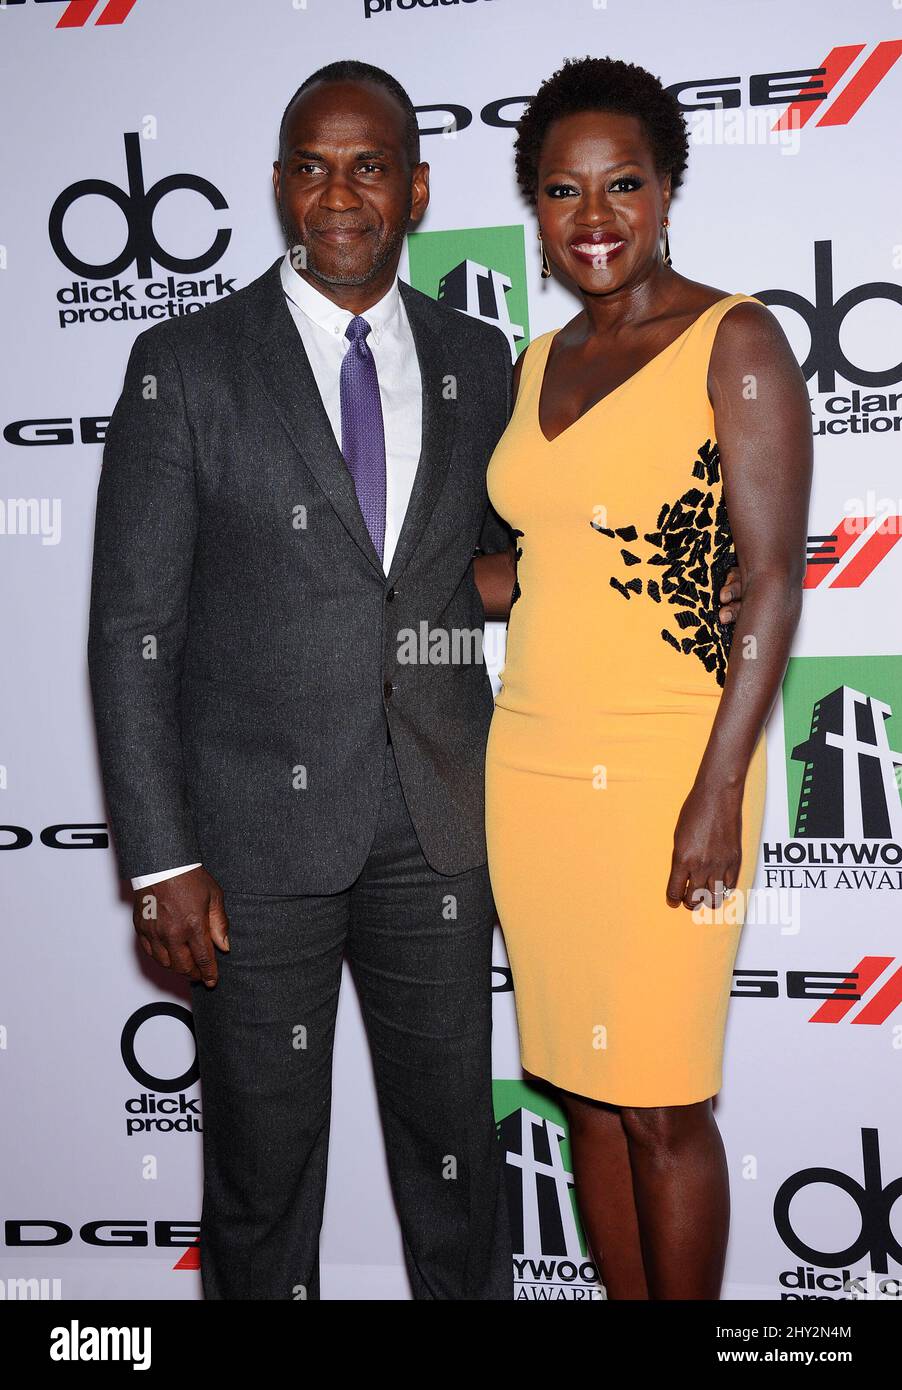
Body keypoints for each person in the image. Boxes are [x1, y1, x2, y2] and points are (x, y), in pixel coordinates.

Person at [87, 60, 521, 1301]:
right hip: (248, 841)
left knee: (457, 1178)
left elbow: (501, 561)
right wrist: (161, 859)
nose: (340, 194)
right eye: (312, 166)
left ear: (416, 189)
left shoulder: (477, 358)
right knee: (262, 1181)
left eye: (368, 165)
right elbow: (131, 628)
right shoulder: (186, 362)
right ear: (280, 184)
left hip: (439, 826)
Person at [483, 56, 811, 1300]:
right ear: (536, 209)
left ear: (667, 187)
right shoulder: (533, 361)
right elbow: (533, 564)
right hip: (532, 768)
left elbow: (771, 581)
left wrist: (716, 790)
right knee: (585, 1095)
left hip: (677, 766)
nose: (594, 217)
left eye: (621, 184)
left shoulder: (732, 340)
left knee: (663, 1102)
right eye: (562, 193)